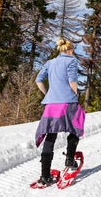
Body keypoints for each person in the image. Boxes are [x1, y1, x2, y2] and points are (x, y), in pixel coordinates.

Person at [33, 38, 85, 186]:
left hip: (51, 105)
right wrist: (75, 94)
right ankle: (69, 158)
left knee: (50, 134)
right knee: (76, 125)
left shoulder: (50, 63)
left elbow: (38, 80)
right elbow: (72, 81)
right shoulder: (71, 61)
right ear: (70, 50)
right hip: (67, 102)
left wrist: (47, 94)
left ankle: (45, 176)